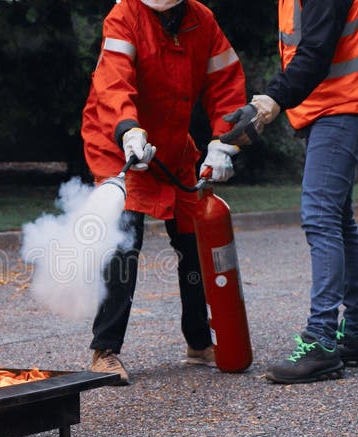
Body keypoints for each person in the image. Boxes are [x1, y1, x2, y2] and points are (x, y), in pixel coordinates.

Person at [221, 0, 358, 383]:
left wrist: (273, 100)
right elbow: (304, 52)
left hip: (346, 103)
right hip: (335, 104)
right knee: (337, 216)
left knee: (320, 215)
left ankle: (321, 341)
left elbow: (315, 51)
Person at [81, 0, 247, 385]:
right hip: (118, 143)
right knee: (124, 243)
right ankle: (105, 350)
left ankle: (199, 342)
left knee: (195, 241)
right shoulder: (124, 16)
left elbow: (226, 84)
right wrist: (128, 131)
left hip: (172, 148)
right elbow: (113, 83)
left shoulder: (202, 20)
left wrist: (224, 143)